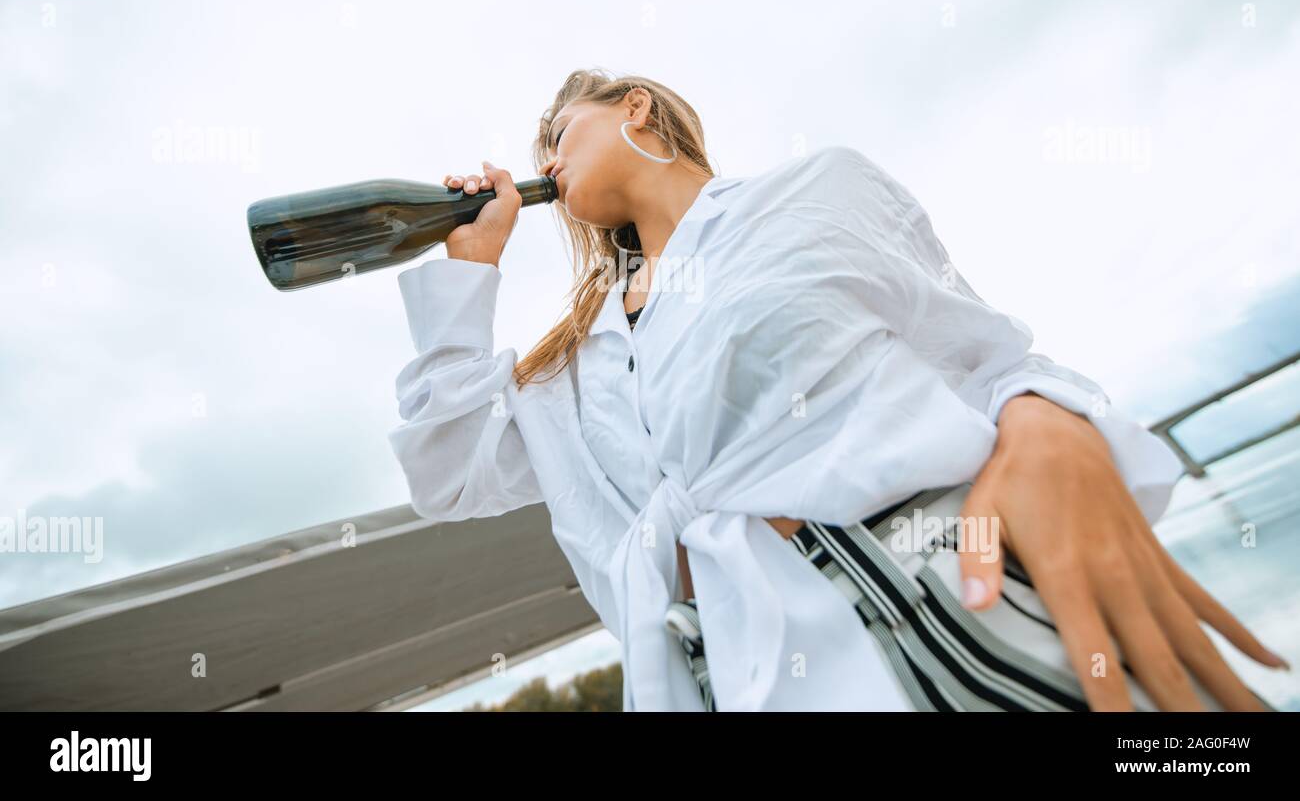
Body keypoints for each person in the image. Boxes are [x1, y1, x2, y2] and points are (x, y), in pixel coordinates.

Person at [387, 68, 1288, 711]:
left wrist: (1051, 427)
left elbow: (987, 359)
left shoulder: (814, 192)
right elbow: (450, 471)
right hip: (745, 680)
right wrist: (471, 269)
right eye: (538, 143)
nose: (544, 149)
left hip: (963, 600)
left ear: (637, 109)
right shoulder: (568, 365)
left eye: (559, 125)